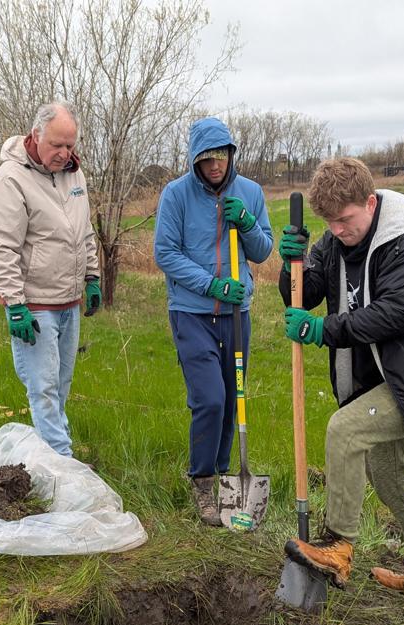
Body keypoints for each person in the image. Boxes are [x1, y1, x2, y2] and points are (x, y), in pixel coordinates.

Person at [278, 157, 404, 598]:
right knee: (390, 477)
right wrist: (290, 263)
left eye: (345, 219)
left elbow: (394, 314)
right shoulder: (335, 243)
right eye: (329, 222)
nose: (337, 230)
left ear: (370, 203)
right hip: (393, 379)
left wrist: (323, 331)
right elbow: (304, 294)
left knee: (344, 431)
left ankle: (338, 547)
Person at [154, 117, 273, 525]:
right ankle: (203, 481)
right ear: (195, 161)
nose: (215, 165)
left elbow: (262, 251)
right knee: (210, 398)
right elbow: (165, 254)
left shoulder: (251, 193)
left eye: (221, 156)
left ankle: (227, 476)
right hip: (191, 312)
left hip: (237, 315)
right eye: (206, 159)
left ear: (230, 155)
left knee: (233, 397)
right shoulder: (176, 195)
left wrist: (248, 223)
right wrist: (212, 286)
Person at [0, 101, 100, 458]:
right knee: (43, 389)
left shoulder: (73, 175)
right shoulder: (9, 181)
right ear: (36, 135)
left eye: (70, 145)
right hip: (34, 307)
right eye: (57, 145)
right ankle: (62, 467)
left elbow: (85, 231)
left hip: (68, 302)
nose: (65, 154)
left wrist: (92, 275)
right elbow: (2, 247)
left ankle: (51, 458)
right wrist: (14, 304)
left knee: (60, 386)